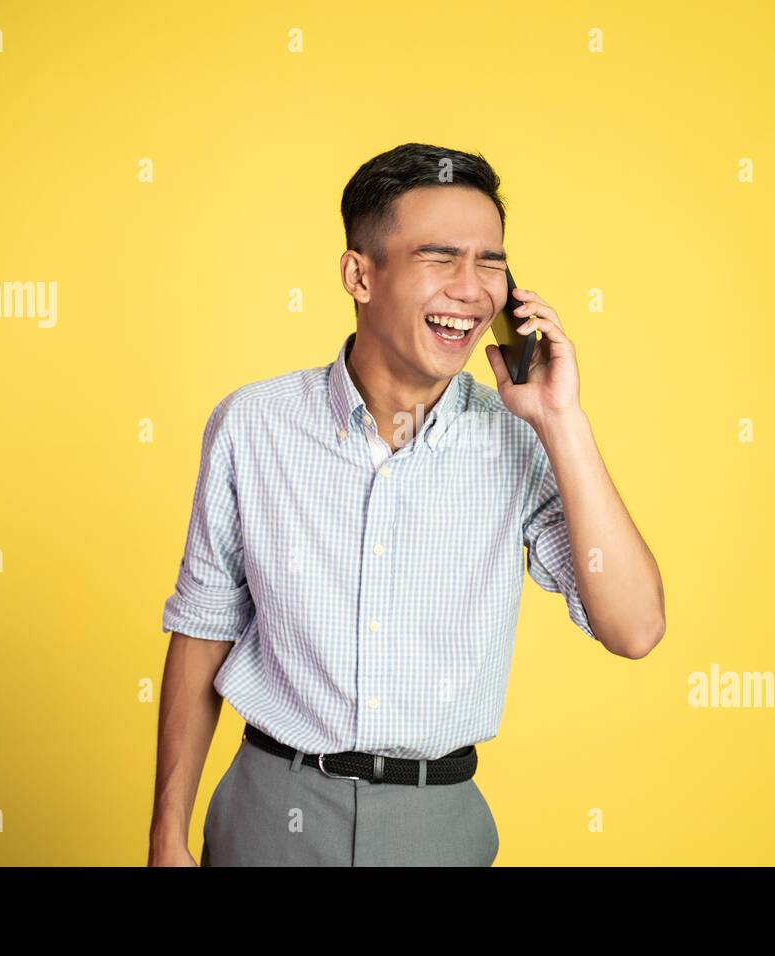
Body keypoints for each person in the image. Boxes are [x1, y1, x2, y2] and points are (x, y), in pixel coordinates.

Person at [147, 142, 666, 867]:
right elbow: (204, 627)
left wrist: (561, 419)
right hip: (270, 815)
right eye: (440, 256)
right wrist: (166, 837)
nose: (472, 288)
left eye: (491, 261)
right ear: (360, 274)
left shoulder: (521, 442)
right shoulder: (253, 424)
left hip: (438, 827)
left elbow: (635, 628)